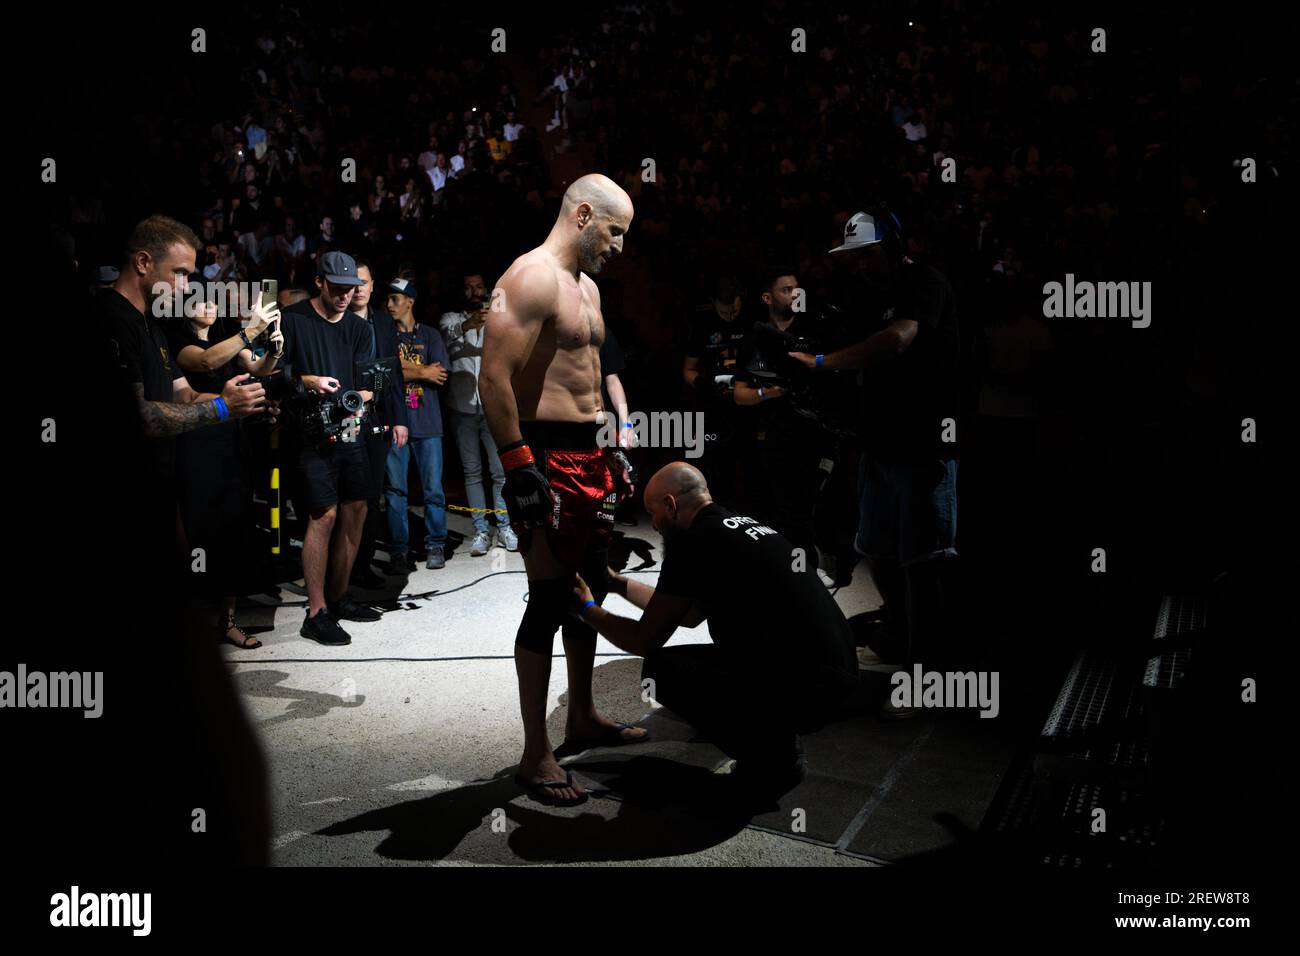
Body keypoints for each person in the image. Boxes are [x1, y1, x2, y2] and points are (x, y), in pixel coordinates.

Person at [479, 173, 642, 807]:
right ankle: (534, 754)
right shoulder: (528, 277)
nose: (619, 246)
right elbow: (493, 381)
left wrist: (611, 449)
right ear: (582, 214)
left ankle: (581, 717)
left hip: (588, 451)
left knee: (589, 587)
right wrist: (521, 467)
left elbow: (593, 377)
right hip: (544, 455)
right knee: (547, 599)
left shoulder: (588, 286)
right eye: (615, 231)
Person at [571, 462, 860, 801]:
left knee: (663, 670)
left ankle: (774, 760)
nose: (657, 528)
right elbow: (688, 613)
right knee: (710, 661)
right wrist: (617, 584)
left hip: (810, 688)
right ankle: (770, 736)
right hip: (836, 675)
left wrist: (586, 609)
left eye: (653, 514)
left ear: (670, 505)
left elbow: (643, 640)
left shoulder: (693, 543)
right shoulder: (736, 527)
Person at [790, 208, 962, 670]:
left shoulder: (927, 284)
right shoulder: (866, 294)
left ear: (893, 247)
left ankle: (928, 673)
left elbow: (897, 339)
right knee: (879, 551)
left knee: (923, 560)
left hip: (924, 444)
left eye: (867, 255)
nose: (860, 265)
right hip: (879, 443)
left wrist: (824, 363)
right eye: (855, 258)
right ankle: (901, 639)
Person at [97, 215, 269, 557]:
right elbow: (143, 416)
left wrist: (239, 400)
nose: (188, 286)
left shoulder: (150, 325)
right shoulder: (111, 319)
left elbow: (184, 393)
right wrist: (222, 406)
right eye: (180, 273)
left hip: (162, 482)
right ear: (143, 262)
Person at [277, 251, 381, 646]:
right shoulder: (293, 320)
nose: (344, 296)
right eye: (337, 289)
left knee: (357, 509)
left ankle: (340, 597)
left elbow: (368, 381)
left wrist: (360, 399)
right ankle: (316, 611)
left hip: (350, 431)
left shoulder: (358, 328)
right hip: (309, 435)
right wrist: (307, 381)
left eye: (350, 289)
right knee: (323, 515)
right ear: (319, 282)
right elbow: (273, 373)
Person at [168, 294, 284, 649]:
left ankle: (228, 620)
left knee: (234, 525)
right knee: (197, 530)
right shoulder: (178, 342)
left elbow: (255, 367)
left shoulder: (230, 338)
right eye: (199, 301)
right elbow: (203, 365)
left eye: (212, 301)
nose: (208, 306)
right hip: (194, 442)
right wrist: (250, 331)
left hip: (231, 439)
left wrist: (273, 351)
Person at [733, 268, 836, 583]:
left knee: (813, 502)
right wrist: (771, 392)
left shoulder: (815, 332)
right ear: (767, 297)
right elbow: (739, 394)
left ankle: (816, 558)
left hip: (815, 432)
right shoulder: (754, 339)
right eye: (786, 289)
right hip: (773, 434)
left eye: (797, 289)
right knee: (781, 504)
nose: (794, 295)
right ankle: (796, 567)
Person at [439, 273, 517, 557]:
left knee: (500, 471)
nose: (474, 291)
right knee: (472, 472)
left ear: (486, 290)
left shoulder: (497, 318)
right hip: (462, 407)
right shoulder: (449, 318)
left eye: (479, 287)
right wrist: (470, 324)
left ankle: (505, 527)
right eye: (468, 287)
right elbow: (448, 336)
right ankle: (481, 530)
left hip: (493, 406)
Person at [382, 278, 452, 570]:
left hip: (428, 423)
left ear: (410, 301)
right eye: (387, 299)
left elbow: (441, 373)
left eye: (395, 299)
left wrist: (408, 371)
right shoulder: (384, 335)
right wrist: (420, 371)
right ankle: (399, 550)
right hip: (396, 423)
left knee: (432, 488)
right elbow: (386, 371)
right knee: (395, 490)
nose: (389, 305)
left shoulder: (432, 335)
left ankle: (436, 543)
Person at [348, 260, 410, 586]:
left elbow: (396, 374)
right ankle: (342, 571)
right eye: (352, 282)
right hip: (346, 415)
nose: (358, 288)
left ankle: (363, 566)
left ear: (372, 286)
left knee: (373, 497)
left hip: (380, 418)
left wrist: (400, 420)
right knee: (349, 498)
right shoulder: (337, 320)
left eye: (364, 282)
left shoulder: (385, 324)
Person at [682, 275, 750, 509]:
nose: (730, 317)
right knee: (710, 467)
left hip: (748, 405)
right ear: (713, 303)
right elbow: (688, 370)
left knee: (746, 468)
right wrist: (702, 383)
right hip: (712, 407)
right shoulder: (703, 325)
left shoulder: (753, 322)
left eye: (734, 312)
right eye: (724, 313)